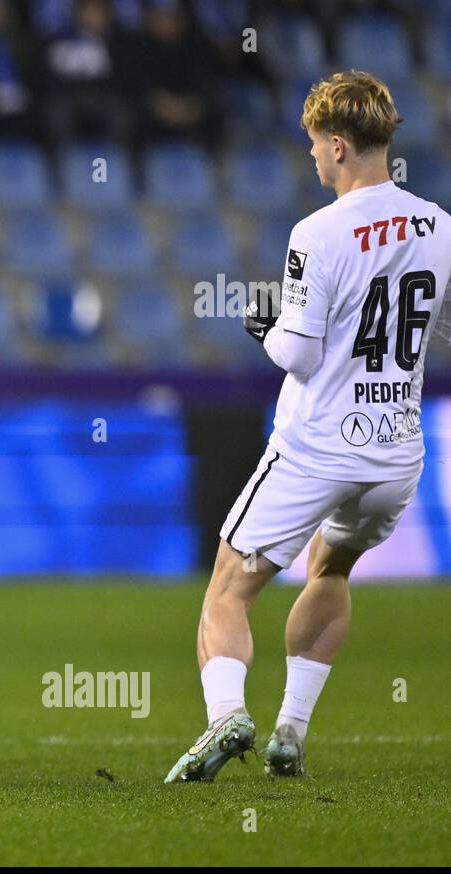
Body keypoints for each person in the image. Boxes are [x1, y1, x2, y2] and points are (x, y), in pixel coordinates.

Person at [165, 72, 451, 782]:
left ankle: (226, 714)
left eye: (316, 149)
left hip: (317, 446)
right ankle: (291, 730)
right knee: (331, 568)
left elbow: (297, 353)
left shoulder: (317, 232)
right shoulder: (440, 226)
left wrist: (264, 324)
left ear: (339, 144)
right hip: (393, 452)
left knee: (229, 588)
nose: (314, 161)